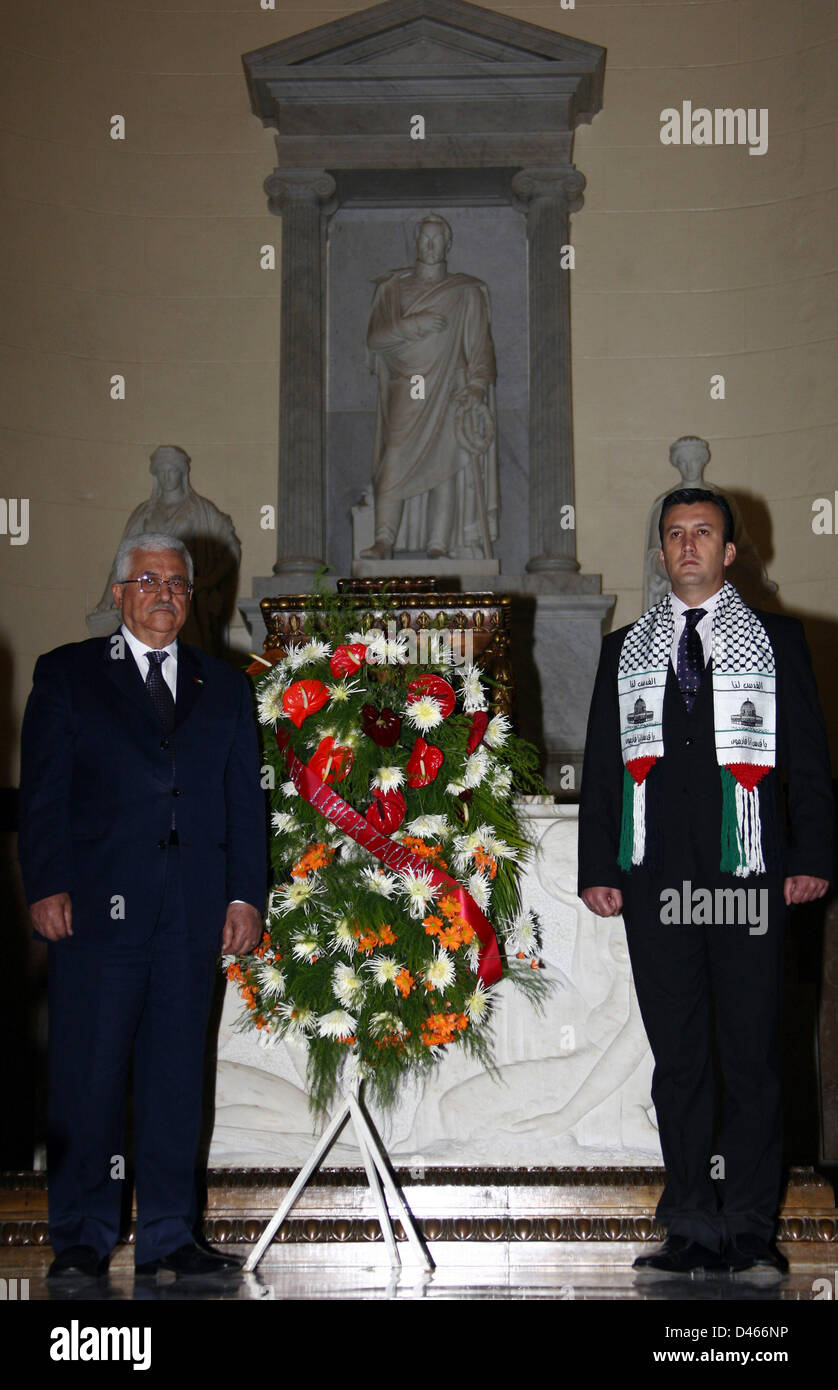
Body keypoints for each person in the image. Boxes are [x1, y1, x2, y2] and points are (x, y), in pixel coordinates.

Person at [578, 488, 834, 1282]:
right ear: (661, 553)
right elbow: (602, 765)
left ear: (730, 552)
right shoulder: (625, 648)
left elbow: (810, 765)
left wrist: (811, 856)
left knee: (752, 1055)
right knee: (680, 1058)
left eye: (705, 534)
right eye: (675, 535)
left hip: (752, 879)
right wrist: (598, 867)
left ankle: (753, 1227)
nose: (688, 546)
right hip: (656, 882)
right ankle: (690, 1221)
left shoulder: (780, 640)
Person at [20, 532, 267, 1283]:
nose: (165, 593)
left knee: (174, 1076)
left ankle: (169, 1236)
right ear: (120, 593)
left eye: (179, 584)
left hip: (192, 912)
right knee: (88, 1074)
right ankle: (81, 1236)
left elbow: (241, 802)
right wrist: (46, 884)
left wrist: (244, 895)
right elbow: (43, 794)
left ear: (193, 600)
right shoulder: (67, 675)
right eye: (148, 580)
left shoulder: (223, 687)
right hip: (96, 909)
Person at [362, 213, 498, 561]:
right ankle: (383, 540)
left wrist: (477, 388)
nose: (431, 245)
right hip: (407, 388)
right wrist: (412, 326)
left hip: (449, 389)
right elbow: (375, 339)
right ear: (416, 241)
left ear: (448, 243)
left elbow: (480, 347)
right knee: (392, 459)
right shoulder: (392, 289)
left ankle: (440, 545)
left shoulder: (465, 291)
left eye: (437, 239)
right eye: (425, 238)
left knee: (446, 467)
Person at [87, 445, 241, 656]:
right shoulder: (144, 513)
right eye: (162, 472)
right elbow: (122, 561)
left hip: (189, 602)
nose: (168, 477)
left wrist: (208, 581)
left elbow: (231, 548)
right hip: (147, 600)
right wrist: (107, 600)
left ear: (183, 473)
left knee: (192, 659)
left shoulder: (201, 510)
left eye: (172, 471)